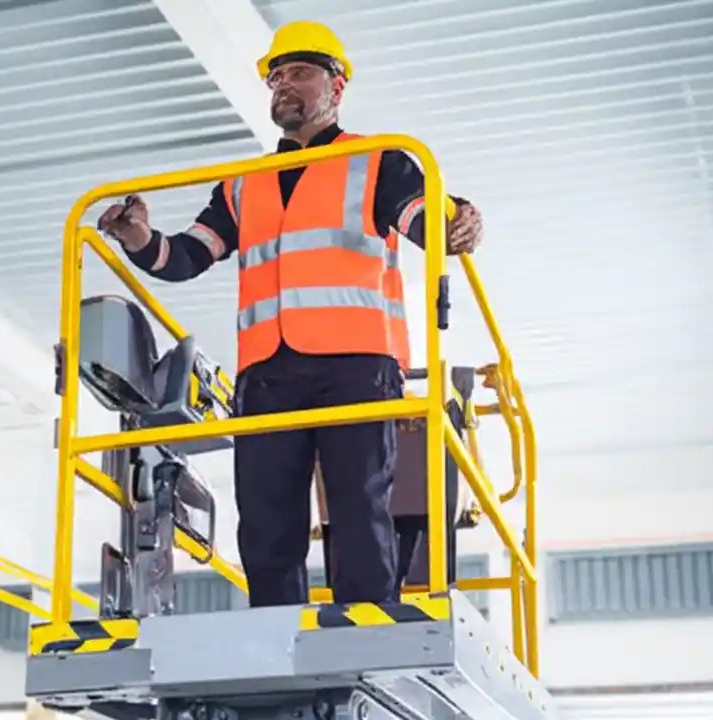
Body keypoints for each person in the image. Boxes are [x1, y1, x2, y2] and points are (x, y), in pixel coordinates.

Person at [97, 20, 484, 608]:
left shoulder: (378, 162)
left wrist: (459, 218)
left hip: (355, 365)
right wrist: (141, 239)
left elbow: (424, 221)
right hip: (268, 372)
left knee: (358, 504)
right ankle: (275, 626)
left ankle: (367, 623)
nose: (284, 85)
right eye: (276, 76)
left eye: (299, 72)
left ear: (337, 86)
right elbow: (187, 256)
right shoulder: (243, 185)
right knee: (266, 514)